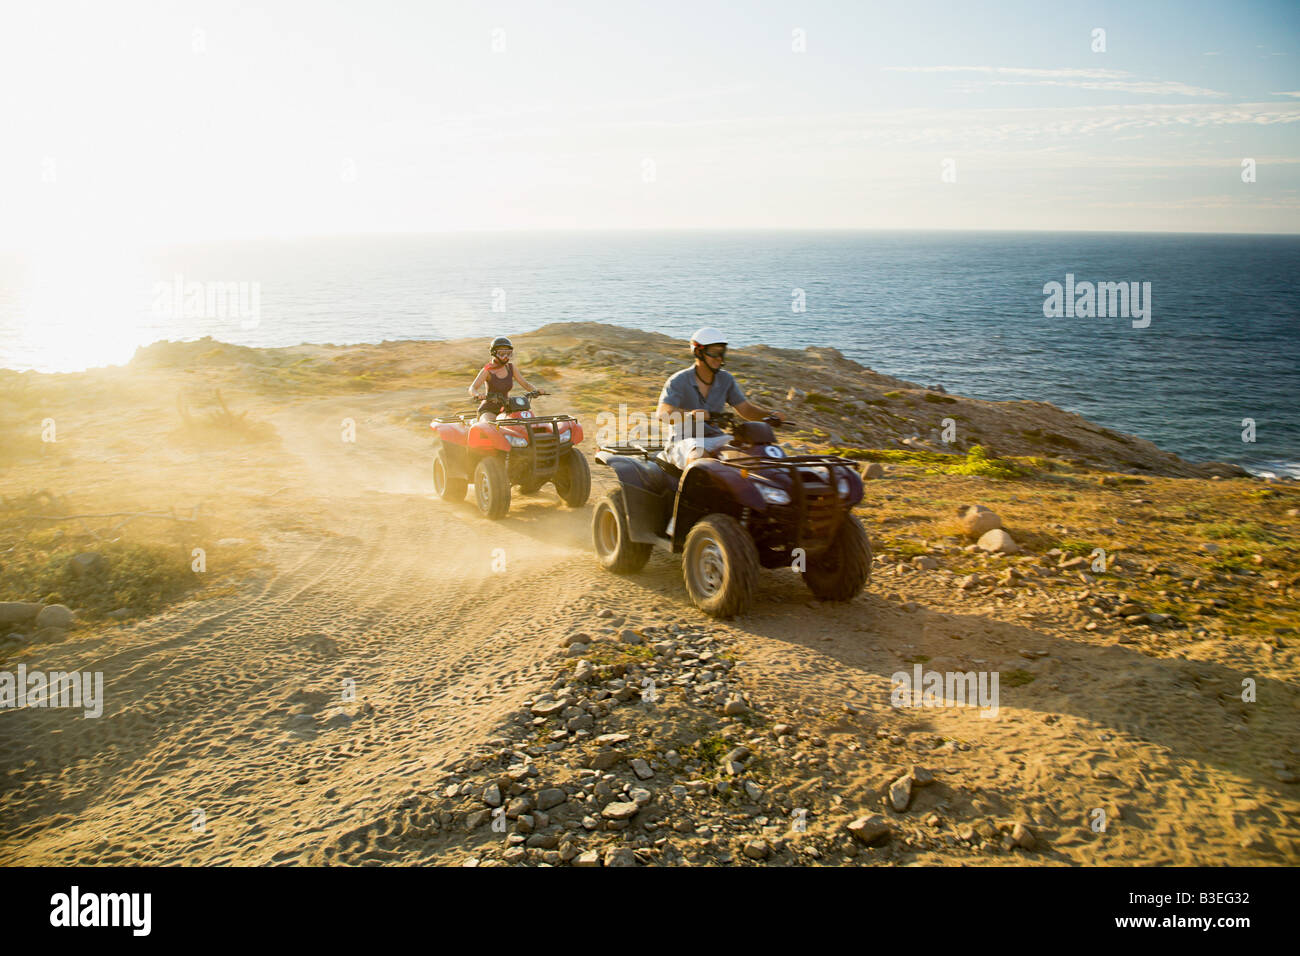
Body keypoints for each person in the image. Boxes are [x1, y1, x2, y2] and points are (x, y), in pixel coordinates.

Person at [655, 326, 782, 467]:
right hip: (683, 441)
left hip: (717, 438)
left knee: (747, 452)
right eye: (714, 353)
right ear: (698, 352)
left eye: (722, 353)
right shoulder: (678, 381)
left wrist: (771, 415)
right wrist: (691, 415)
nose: (719, 358)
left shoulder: (725, 379)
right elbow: (663, 414)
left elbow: (746, 409)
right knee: (699, 456)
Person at [468, 336, 544, 423]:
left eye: (508, 353)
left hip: (508, 408)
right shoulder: (487, 369)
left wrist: (536, 391)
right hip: (489, 409)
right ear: (493, 353)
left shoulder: (511, 368)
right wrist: (477, 395)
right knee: (490, 426)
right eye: (501, 353)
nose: (505, 357)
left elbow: (525, 384)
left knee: (525, 423)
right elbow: (472, 388)